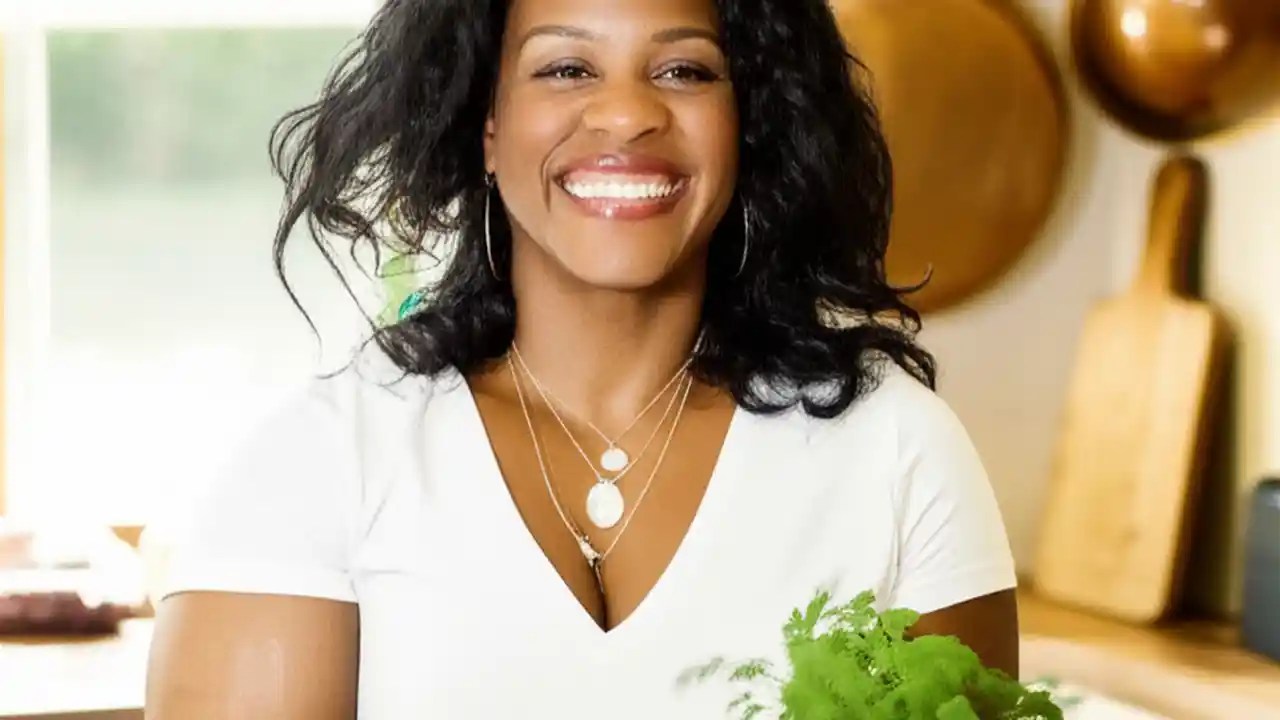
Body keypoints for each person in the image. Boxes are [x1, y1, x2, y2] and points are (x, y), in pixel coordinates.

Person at [145, 0, 1019, 716]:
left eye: (684, 70)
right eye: (566, 68)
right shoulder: (317, 463)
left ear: (747, 125)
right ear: (487, 130)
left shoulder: (899, 451)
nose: (630, 112)